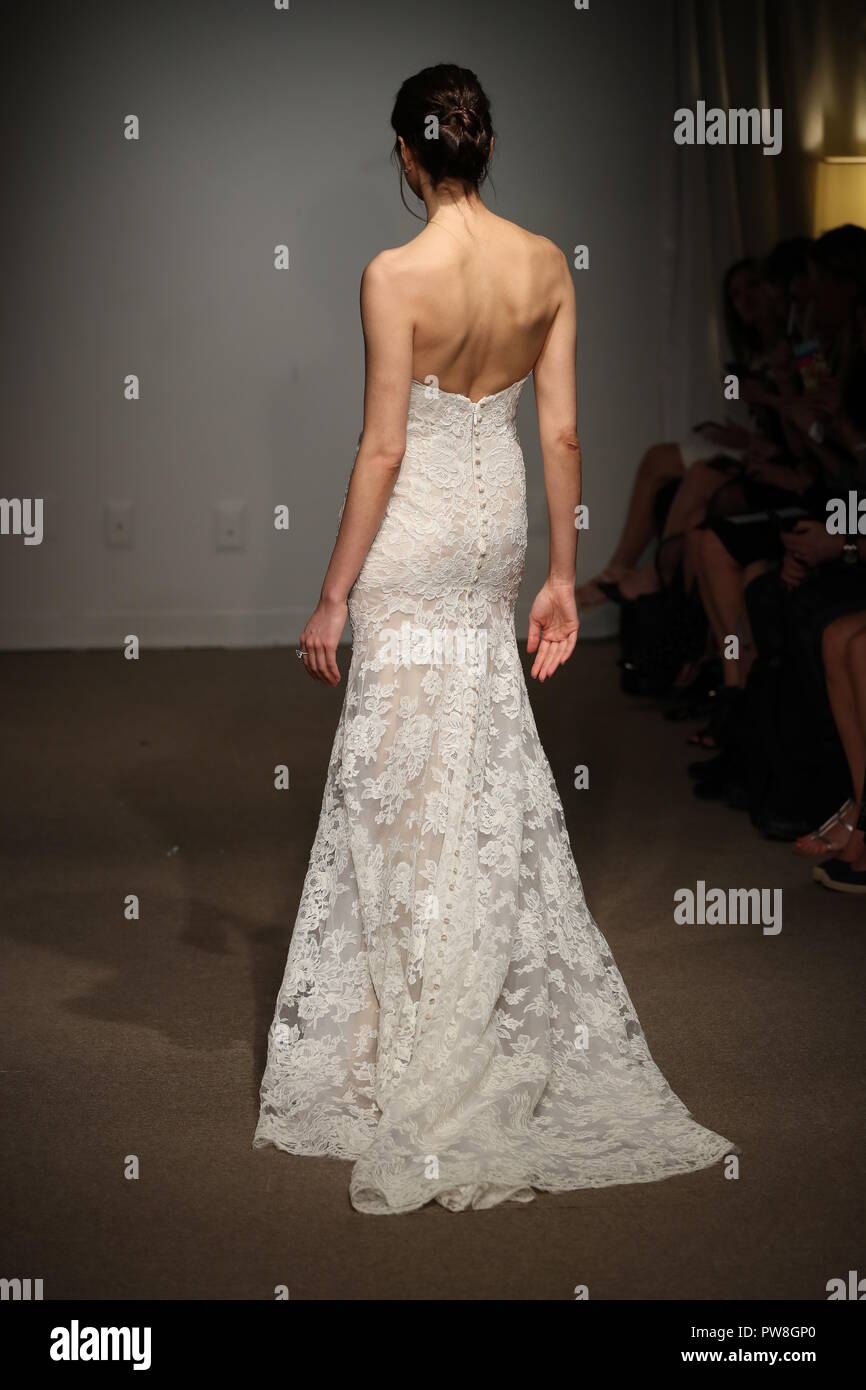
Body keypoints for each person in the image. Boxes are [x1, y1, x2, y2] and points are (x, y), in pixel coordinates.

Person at [252, 63, 737, 1214]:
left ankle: (414, 1032)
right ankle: (456, 1002)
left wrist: (331, 595)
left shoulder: (392, 273)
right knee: (475, 768)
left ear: (407, 158)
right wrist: (565, 576)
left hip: (417, 537)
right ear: (483, 147)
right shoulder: (543, 265)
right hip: (494, 535)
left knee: (399, 786)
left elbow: (379, 450)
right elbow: (562, 431)